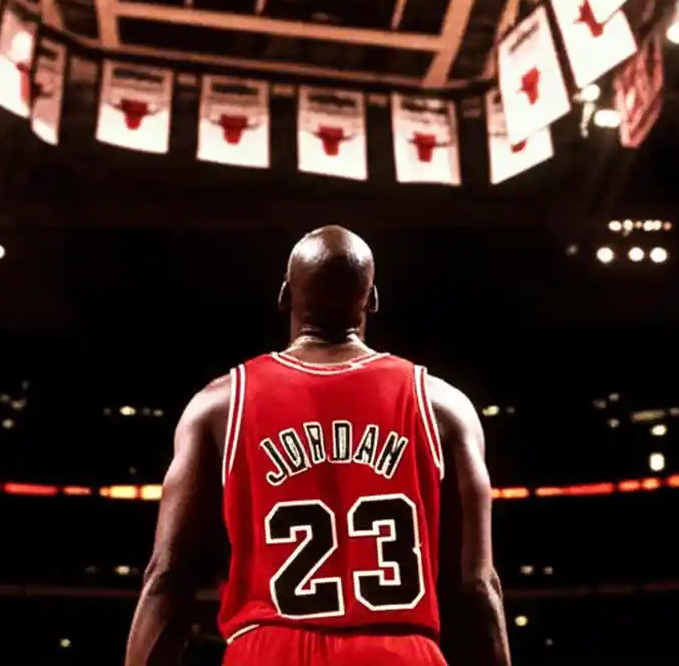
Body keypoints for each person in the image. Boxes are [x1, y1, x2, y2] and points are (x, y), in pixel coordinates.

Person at [125, 225, 511, 666]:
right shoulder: (443, 406)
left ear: (284, 295)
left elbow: (168, 577)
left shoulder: (220, 405)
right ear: (372, 299)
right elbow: (476, 588)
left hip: (269, 651)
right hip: (400, 649)